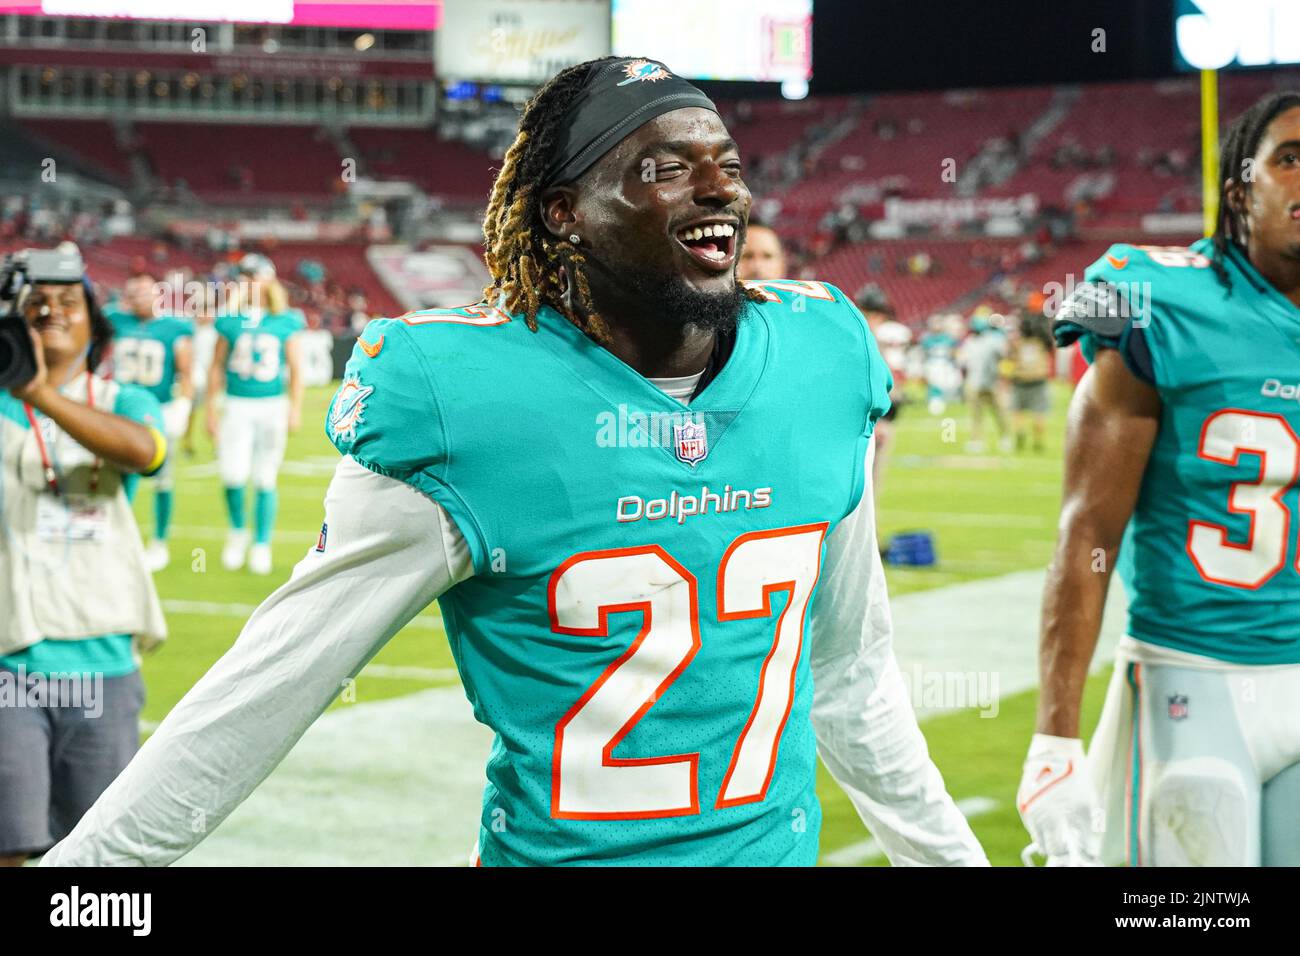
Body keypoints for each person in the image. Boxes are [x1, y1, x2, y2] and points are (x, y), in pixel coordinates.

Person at [43, 57, 985, 868]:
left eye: (728, 167)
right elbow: (268, 688)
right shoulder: (465, 401)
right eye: (665, 168)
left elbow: (853, 674)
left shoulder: (819, 360)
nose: (720, 191)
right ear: (565, 214)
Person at [1018, 91, 1300, 867]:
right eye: (1290, 159)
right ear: (1241, 189)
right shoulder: (1156, 299)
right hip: (1192, 675)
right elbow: (1088, 530)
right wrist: (1054, 734)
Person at [0, 246, 169, 866]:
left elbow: (145, 453)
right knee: (10, 848)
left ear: (94, 324)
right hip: (8, 663)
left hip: (102, 661)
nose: (51, 310)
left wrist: (40, 394)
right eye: (35, 303)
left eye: (68, 302)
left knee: (96, 858)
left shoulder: (121, 398)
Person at [205, 254, 305, 576]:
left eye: (253, 276)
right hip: (236, 404)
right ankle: (238, 532)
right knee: (232, 474)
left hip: (272, 405)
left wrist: (295, 408)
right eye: (243, 277)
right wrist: (210, 409)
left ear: (268, 280)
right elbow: (216, 368)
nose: (246, 283)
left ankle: (261, 543)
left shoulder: (285, 319)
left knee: (265, 477)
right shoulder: (229, 320)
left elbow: (296, 369)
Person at [106, 271, 194, 572]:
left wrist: (184, 404)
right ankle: (118, 538)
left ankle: (159, 541)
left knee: (161, 477)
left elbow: (186, 372)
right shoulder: (115, 319)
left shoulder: (174, 327)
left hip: (160, 409)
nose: (140, 297)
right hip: (119, 408)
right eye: (135, 291)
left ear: (158, 294)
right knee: (120, 475)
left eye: (146, 290)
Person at [958, 314, 1009, 453]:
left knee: (997, 412)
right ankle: (979, 440)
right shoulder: (976, 341)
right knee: (979, 414)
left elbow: (1003, 355)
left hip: (989, 382)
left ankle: (1002, 438)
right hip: (978, 382)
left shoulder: (990, 341)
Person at [1005, 311, 1054, 453]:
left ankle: (1020, 433)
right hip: (1038, 379)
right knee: (1039, 412)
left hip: (1020, 379)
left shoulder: (1017, 343)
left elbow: (1010, 359)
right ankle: (1038, 441)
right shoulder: (1041, 343)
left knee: (1017, 411)